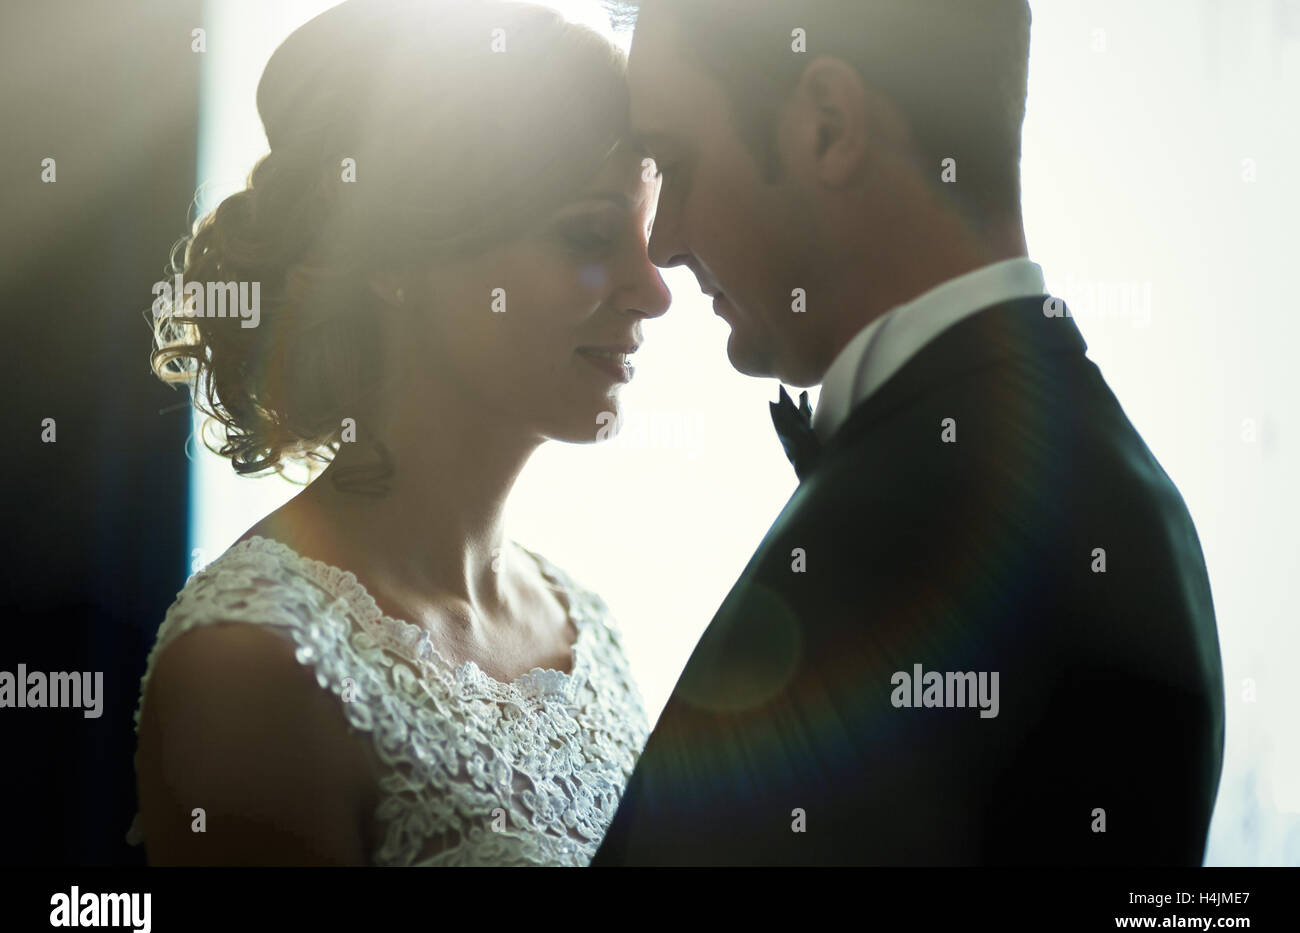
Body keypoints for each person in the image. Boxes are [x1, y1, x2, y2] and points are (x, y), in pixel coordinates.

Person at [591, 0, 1225, 865]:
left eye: (679, 164)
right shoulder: (1108, 487)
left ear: (828, 127)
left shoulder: (929, 532)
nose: (661, 245)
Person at [127, 0, 670, 865]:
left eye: (649, 236)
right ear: (390, 259)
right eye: (590, 235)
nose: (655, 290)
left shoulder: (585, 628)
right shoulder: (256, 663)